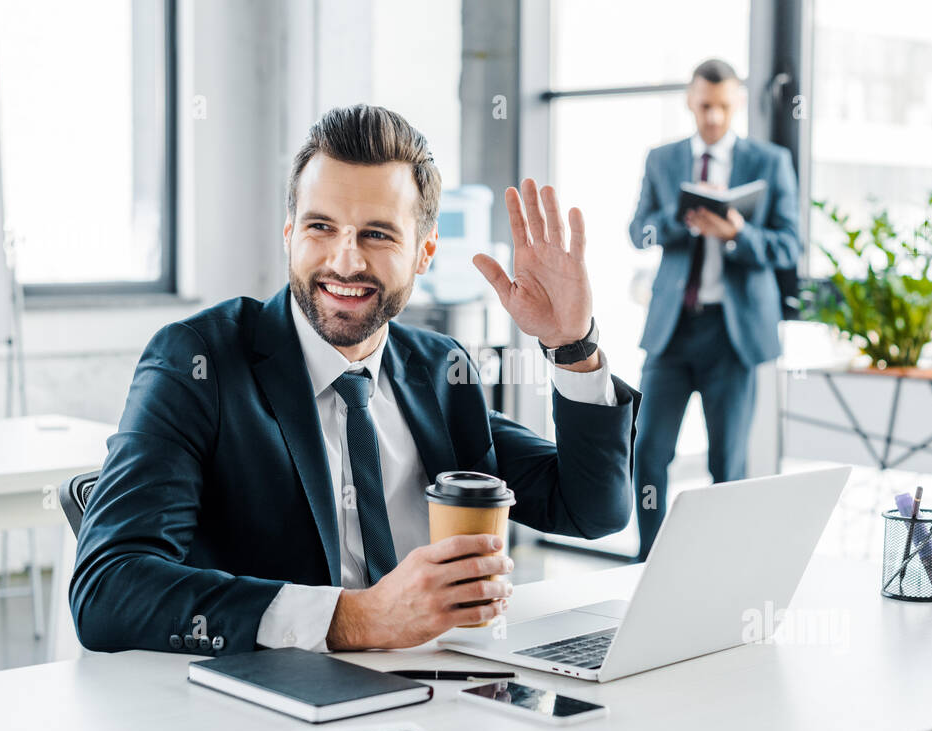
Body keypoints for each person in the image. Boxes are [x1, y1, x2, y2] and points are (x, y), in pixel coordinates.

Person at [72, 104, 640, 655]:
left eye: (378, 234)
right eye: (321, 227)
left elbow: (591, 509)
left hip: (436, 697)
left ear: (424, 252)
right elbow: (108, 588)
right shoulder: (199, 363)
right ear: (290, 233)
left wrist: (574, 347)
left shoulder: (440, 371)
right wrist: (356, 619)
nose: (345, 262)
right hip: (273, 710)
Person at [628, 59, 801, 560]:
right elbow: (640, 233)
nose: (713, 118)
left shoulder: (768, 162)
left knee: (729, 465)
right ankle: (648, 564)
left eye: (724, 107)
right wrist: (685, 220)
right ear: (689, 100)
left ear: (738, 104)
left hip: (734, 336)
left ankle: (721, 569)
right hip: (672, 332)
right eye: (705, 106)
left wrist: (738, 234)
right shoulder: (662, 160)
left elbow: (789, 247)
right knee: (649, 455)